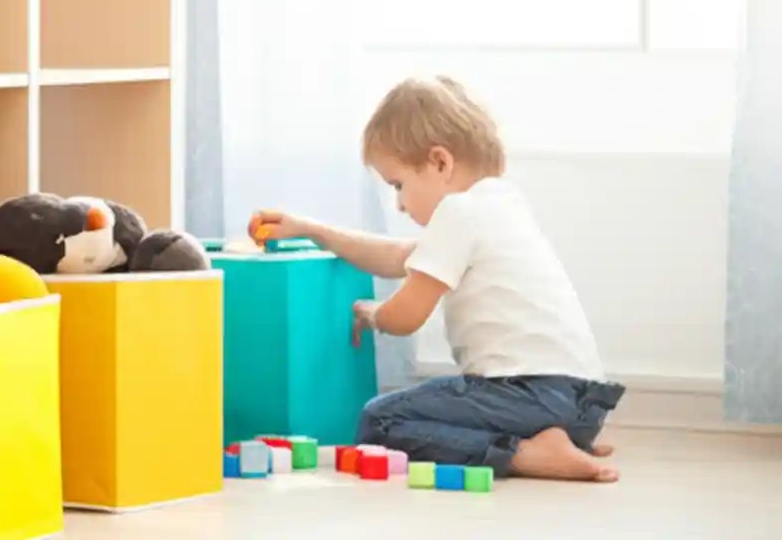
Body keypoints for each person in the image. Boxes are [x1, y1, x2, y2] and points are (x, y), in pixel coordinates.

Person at [253, 76, 626, 482]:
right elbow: (400, 257)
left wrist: (373, 313)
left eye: (399, 185)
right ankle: (566, 441)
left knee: (381, 421)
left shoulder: (458, 213)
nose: (397, 203)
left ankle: (523, 454)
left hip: (527, 394)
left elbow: (405, 317)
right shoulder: (500, 203)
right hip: (583, 405)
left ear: (440, 163)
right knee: (442, 406)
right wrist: (313, 230)